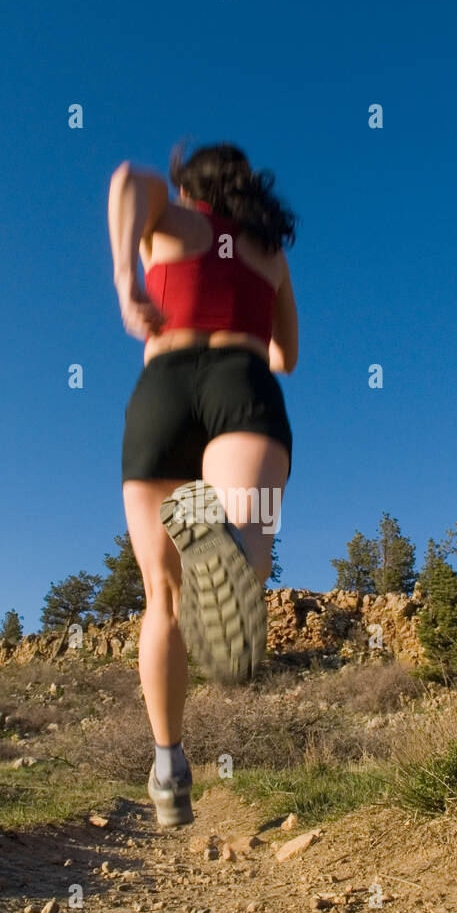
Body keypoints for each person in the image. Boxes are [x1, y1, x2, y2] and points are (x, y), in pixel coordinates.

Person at [108, 143, 299, 827]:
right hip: (243, 384)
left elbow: (129, 177)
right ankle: (233, 560)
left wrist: (131, 279)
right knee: (248, 535)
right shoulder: (269, 253)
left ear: (192, 187)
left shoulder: (173, 225)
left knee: (160, 595)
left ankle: (168, 761)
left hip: (163, 383)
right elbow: (288, 356)